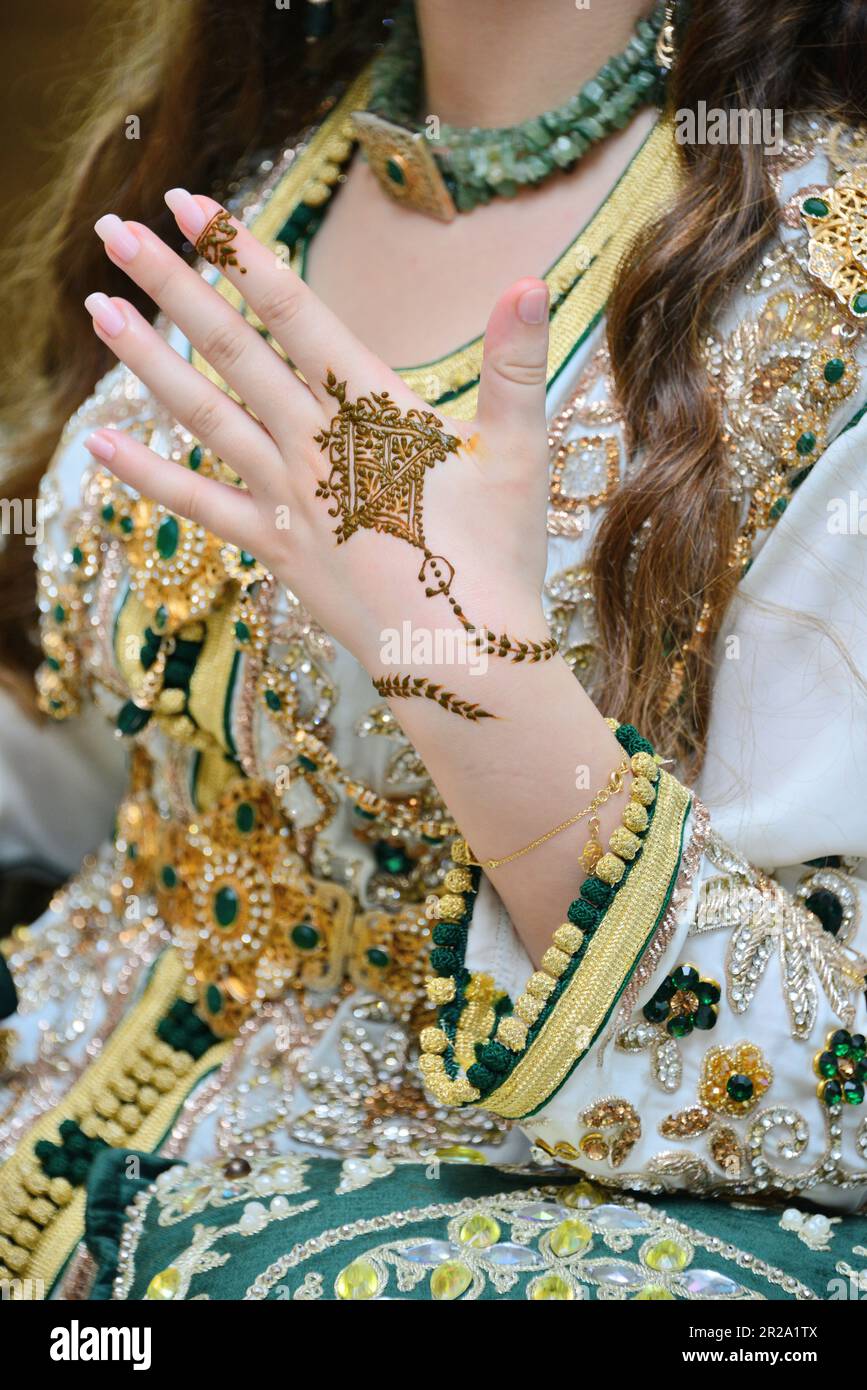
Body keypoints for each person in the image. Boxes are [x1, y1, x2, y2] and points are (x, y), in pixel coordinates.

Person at [1, 0, 865, 1301]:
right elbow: (94, 747)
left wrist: (485, 689)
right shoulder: (271, 142)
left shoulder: (820, 285)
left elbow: (837, 1077)